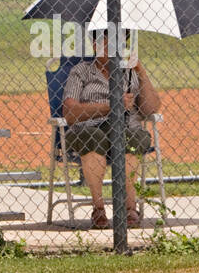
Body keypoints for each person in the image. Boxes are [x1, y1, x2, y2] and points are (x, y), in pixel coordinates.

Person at [61, 29, 161, 229]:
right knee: (92, 137)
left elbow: (151, 108)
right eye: (108, 44)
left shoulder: (130, 72)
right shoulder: (81, 71)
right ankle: (98, 208)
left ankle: (130, 208)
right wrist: (112, 105)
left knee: (131, 138)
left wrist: (141, 71)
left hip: (126, 128)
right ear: (96, 46)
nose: (115, 50)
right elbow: (70, 112)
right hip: (90, 128)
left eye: (120, 45)